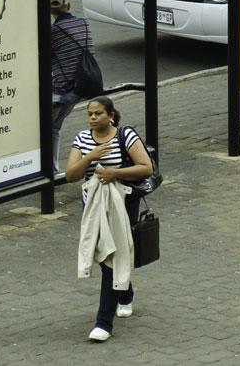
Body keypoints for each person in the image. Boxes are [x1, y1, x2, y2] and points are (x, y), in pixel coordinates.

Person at [64, 95, 152, 342]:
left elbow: (146, 168)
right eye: (90, 114)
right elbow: (71, 175)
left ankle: (103, 323)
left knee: (111, 259)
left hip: (123, 203)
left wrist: (115, 172)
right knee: (107, 255)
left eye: (98, 113)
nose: (93, 118)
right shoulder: (82, 139)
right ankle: (124, 293)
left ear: (111, 115)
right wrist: (90, 157)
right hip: (93, 205)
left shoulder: (126, 136)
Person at [49, 0, 95, 160]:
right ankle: (52, 169)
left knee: (47, 128)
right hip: (82, 86)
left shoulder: (53, 32)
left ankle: (50, 171)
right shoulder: (84, 23)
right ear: (68, 5)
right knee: (54, 127)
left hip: (61, 90)